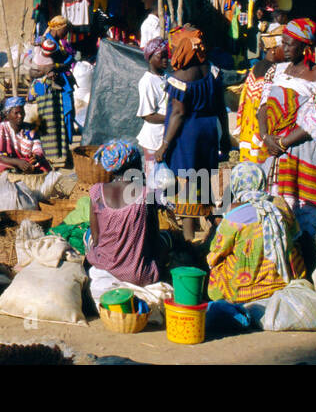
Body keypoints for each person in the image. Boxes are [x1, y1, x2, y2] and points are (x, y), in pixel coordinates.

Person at [255, 18, 316, 246]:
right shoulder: (277, 71)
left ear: (305, 47)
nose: (285, 48)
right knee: (273, 207)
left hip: (301, 152)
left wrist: (283, 142)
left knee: (302, 216)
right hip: (273, 149)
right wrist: (266, 137)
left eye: (290, 44)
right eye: (283, 43)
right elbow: (263, 106)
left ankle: (304, 261)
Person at [156, 25, 228, 238]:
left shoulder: (181, 77)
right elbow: (221, 108)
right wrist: (224, 135)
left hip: (187, 136)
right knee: (204, 180)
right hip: (209, 133)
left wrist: (165, 144)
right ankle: (212, 231)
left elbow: (177, 114)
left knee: (186, 184)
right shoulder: (212, 72)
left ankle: (189, 237)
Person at [207, 161, 305, 303]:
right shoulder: (280, 203)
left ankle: (244, 292)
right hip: (282, 280)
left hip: (244, 287)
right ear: (262, 181)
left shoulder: (233, 212)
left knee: (217, 266)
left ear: (235, 184)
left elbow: (216, 251)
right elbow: (296, 235)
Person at [87, 140, 162, 286]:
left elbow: (96, 239)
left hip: (105, 268)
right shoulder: (146, 194)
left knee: (88, 235)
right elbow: (154, 238)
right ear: (134, 166)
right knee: (168, 240)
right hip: (138, 275)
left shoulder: (97, 192)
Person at [32, 15, 78, 165]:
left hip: (58, 84)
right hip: (51, 85)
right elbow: (43, 66)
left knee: (60, 118)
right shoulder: (48, 42)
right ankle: (52, 153)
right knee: (58, 116)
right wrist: (60, 65)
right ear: (59, 28)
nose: (67, 33)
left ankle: (62, 152)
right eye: (66, 30)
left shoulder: (54, 41)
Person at [0, 96, 51, 182]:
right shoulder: (1, 128)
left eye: (22, 112)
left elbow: (38, 149)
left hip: (26, 163)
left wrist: (35, 157)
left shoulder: (30, 129)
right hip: (8, 163)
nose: (20, 116)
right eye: (16, 113)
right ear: (7, 115)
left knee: (44, 166)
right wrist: (18, 162)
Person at [135, 37, 169, 182]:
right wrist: (172, 118)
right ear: (150, 58)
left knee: (166, 177)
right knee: (154, 179)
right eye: (161, 57)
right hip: (153, 139)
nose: (165, 60)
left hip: (165, 135)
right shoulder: (147, 81)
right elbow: (148, 115)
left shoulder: (166, 77)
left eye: (167, 56)